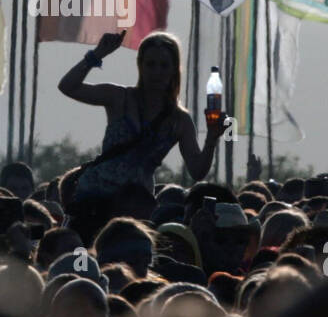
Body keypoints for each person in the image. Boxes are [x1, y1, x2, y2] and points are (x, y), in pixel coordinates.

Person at [58, 30, 224, 242]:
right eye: (150, 64)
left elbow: (197, 170)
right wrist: (97, 54)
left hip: (135, 206)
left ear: (174, 70)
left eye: (164, 65)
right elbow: (68, 87)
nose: (157, 72)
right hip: (95, 199)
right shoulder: (119, 97)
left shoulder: (178, 120)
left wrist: (211, 139)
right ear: (140, 66)